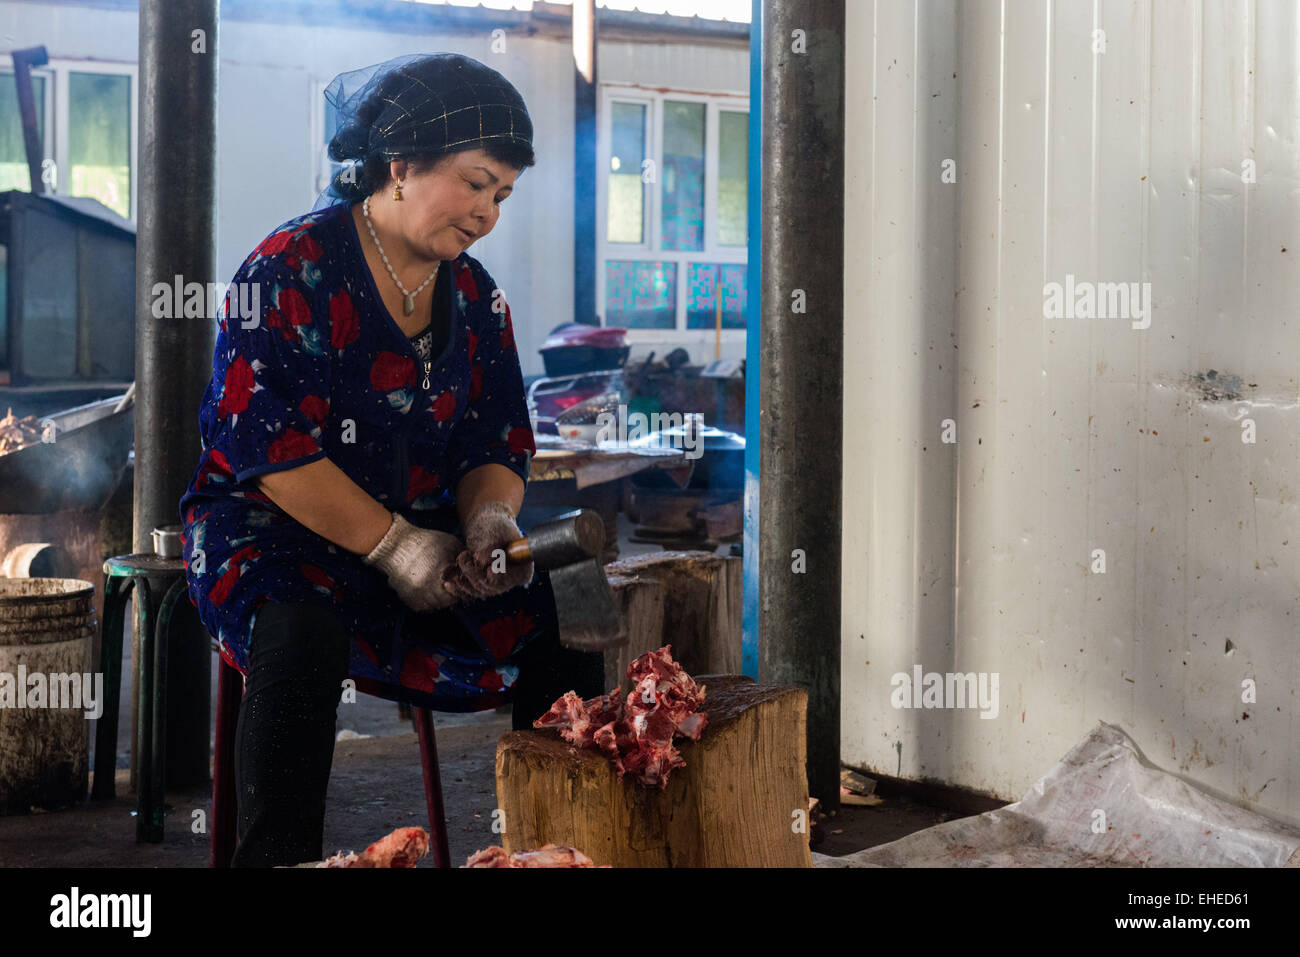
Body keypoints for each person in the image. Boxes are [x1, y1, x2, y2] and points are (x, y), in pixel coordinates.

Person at [178, 53, 606, 867]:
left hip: (429, 536)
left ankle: (552, 850)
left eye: (502, 196)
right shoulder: (288, 270)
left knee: (564, 613)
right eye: (475, 184)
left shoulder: (476, 299)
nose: (487, 213)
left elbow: (496, 438)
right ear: (400, 166)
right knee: (301, 635)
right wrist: (393, 545)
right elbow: (266, 449)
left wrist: (487, 519)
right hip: (275, 534)